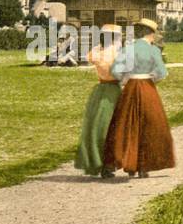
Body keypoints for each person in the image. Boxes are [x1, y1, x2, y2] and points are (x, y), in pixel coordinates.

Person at [103, 19, 175, 180]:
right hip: (148, 89)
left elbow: (116, 70)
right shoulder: (153, 50)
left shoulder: (129, 48)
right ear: (151, 33)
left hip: (131, 88)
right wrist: (151, 79)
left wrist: (125, 80)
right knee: (149, 126)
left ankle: (115, 162)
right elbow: (162, 73)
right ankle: (143, 167)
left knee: (124, 125)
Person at [75, 25, 125, 178]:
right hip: (113, 90)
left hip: (99, 90)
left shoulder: (97, 52)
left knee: (96, 126)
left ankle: (96, 161)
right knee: (112, 128)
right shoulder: (117, 53)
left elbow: (91, 57)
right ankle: (109, 164)